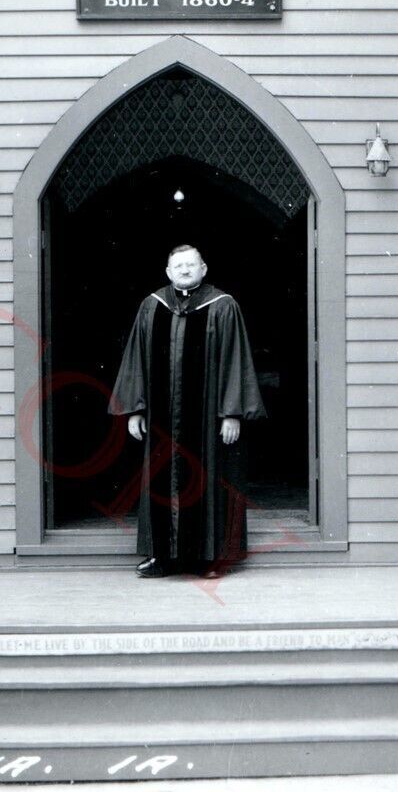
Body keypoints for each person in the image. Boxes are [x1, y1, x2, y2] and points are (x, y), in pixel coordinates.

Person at [109, 245, 265, 579]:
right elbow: (135, 359)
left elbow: (235, 360)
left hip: (208, 421)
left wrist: (231, 413)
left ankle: (209, 558)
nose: (184, 270)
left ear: (203, 268)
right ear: (168, 271)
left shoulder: (223, 305)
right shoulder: (152, 306)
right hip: (162, 419)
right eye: (178, 265)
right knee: (161, 479)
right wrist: (135, 409)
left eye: (190, 264)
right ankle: (162, 556)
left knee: (210, 480)